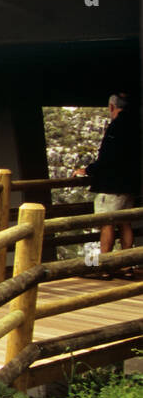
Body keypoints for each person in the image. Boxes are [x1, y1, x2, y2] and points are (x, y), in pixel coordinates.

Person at [75, 93, 141, 275]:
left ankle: (104, 267)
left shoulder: (116, 127)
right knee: (125, 223)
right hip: (129, 185)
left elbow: (107, 158)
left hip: (112, 185)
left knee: (107, 223)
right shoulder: (135, 125)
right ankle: (127, 265)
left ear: (112, 107)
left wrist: (87, 171)